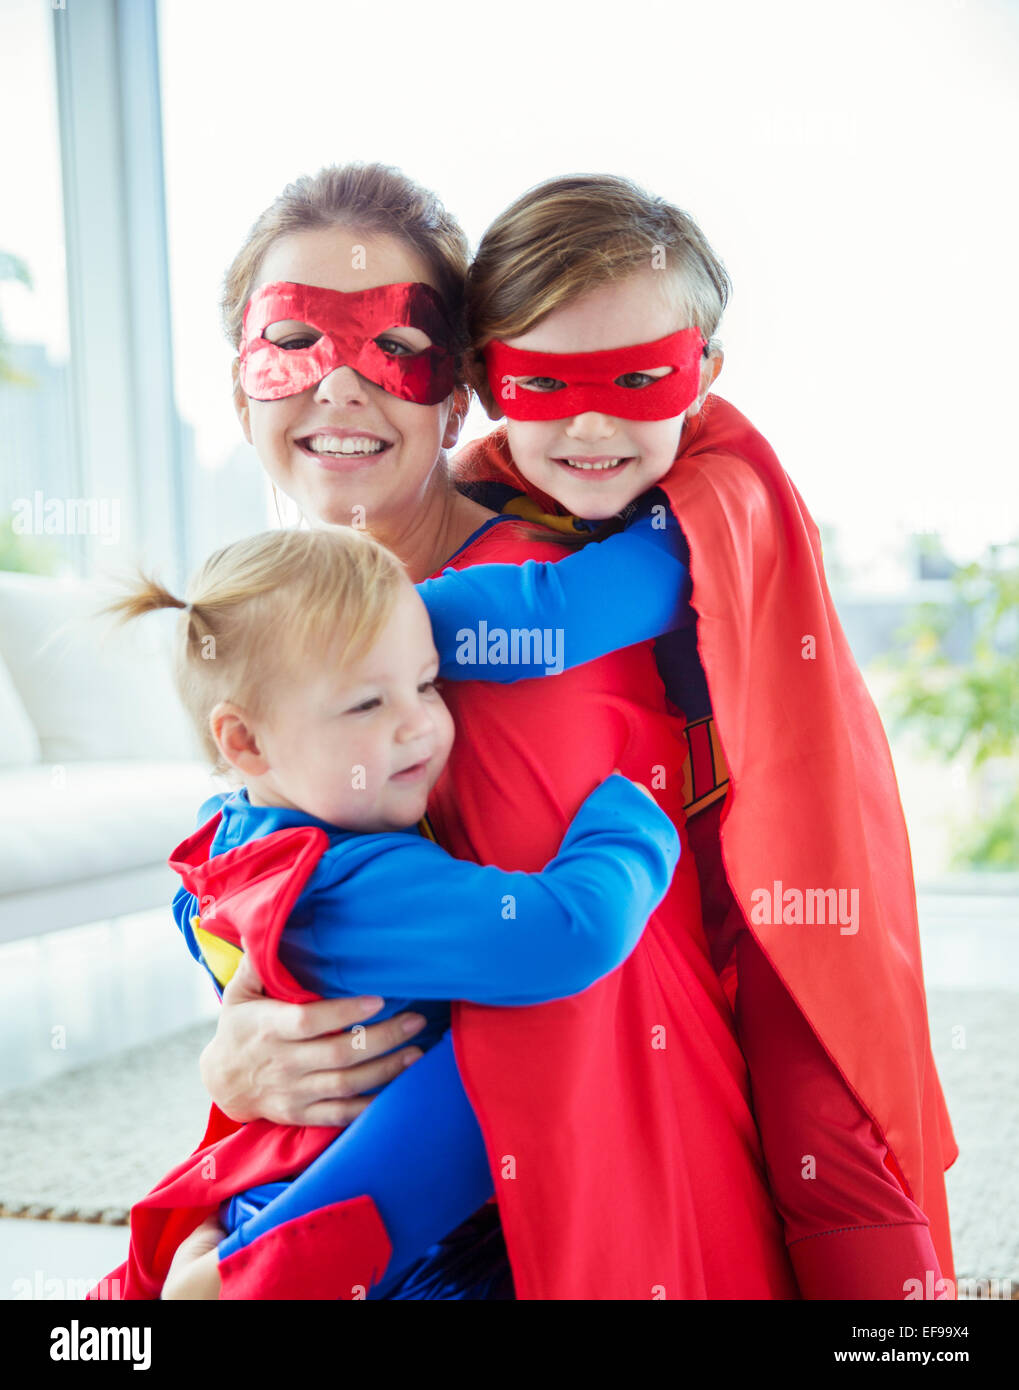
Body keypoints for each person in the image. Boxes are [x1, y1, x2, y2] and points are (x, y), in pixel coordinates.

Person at [149, 162, 799, 1300]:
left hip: (531, 1214)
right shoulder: (294, 616)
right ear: (241, 388)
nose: (340, 389)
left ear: (457, 392)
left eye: (393, 351)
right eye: (293, 340)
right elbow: (275, 873)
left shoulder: (509, 611)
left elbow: (551, 986)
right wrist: (241, 1054)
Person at [428, 172, 957, 1298]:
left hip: (787, 875)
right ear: (481, 385)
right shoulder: (479, 497)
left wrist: (318, 623)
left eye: (639, 377)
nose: (590, 422)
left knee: (831, 1130)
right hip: (655, 877)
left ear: (704, 371)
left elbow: (546, 625)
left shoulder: (726, 491)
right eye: (541, 381)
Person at [95, 527, 679, 1299]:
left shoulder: (232, 840)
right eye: (368, 702)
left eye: (429, 684)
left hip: (316, 1198)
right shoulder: (351, 884)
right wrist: (634, 817)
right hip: (389, 1256)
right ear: (245, 742)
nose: (420, 725)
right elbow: (566, 934)